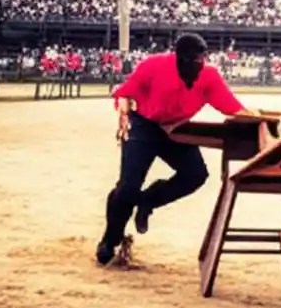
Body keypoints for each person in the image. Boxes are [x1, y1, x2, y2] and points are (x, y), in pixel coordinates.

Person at [97, 32, 249, 266]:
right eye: (186, 61)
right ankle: (110, 240)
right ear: (176, 56)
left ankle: (148, 201)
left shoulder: (209, 76)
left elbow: (233, 109)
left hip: (176, 130)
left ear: (203, 59)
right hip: (145, 126)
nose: (192, 66)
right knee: (128, 187)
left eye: (197, 61)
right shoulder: (154, 65)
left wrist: (262, 120)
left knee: (196, 175)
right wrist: (124, 108)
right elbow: (127, 91)